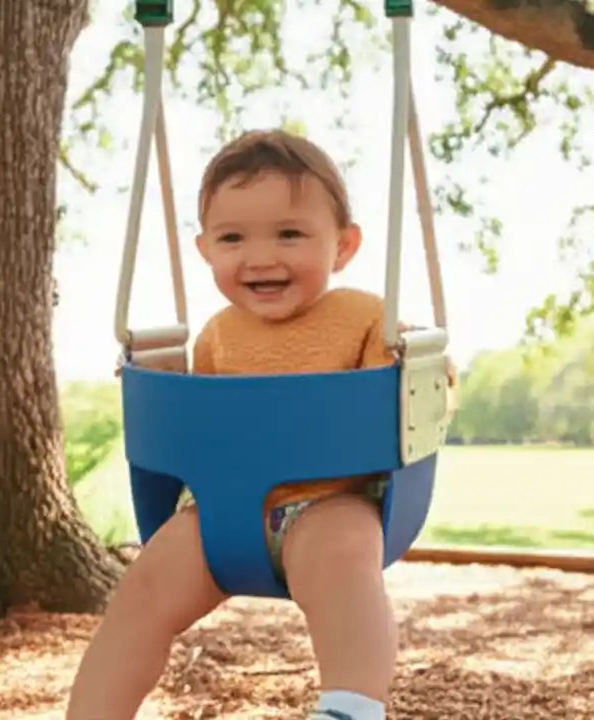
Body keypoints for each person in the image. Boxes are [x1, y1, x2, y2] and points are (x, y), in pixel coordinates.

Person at [67, 128, 453, 720]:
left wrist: (426, 363)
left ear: (343, 246)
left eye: (290, 234)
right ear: (205, 251)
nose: (261, 257)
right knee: (142, 590)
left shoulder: (367, 315)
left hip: (329, 504)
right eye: (233, 238)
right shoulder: (217, 333)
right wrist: (161, 391)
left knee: (345, 562)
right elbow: (209, 424)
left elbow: (399, 391)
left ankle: (348, 709)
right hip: (222, 515)